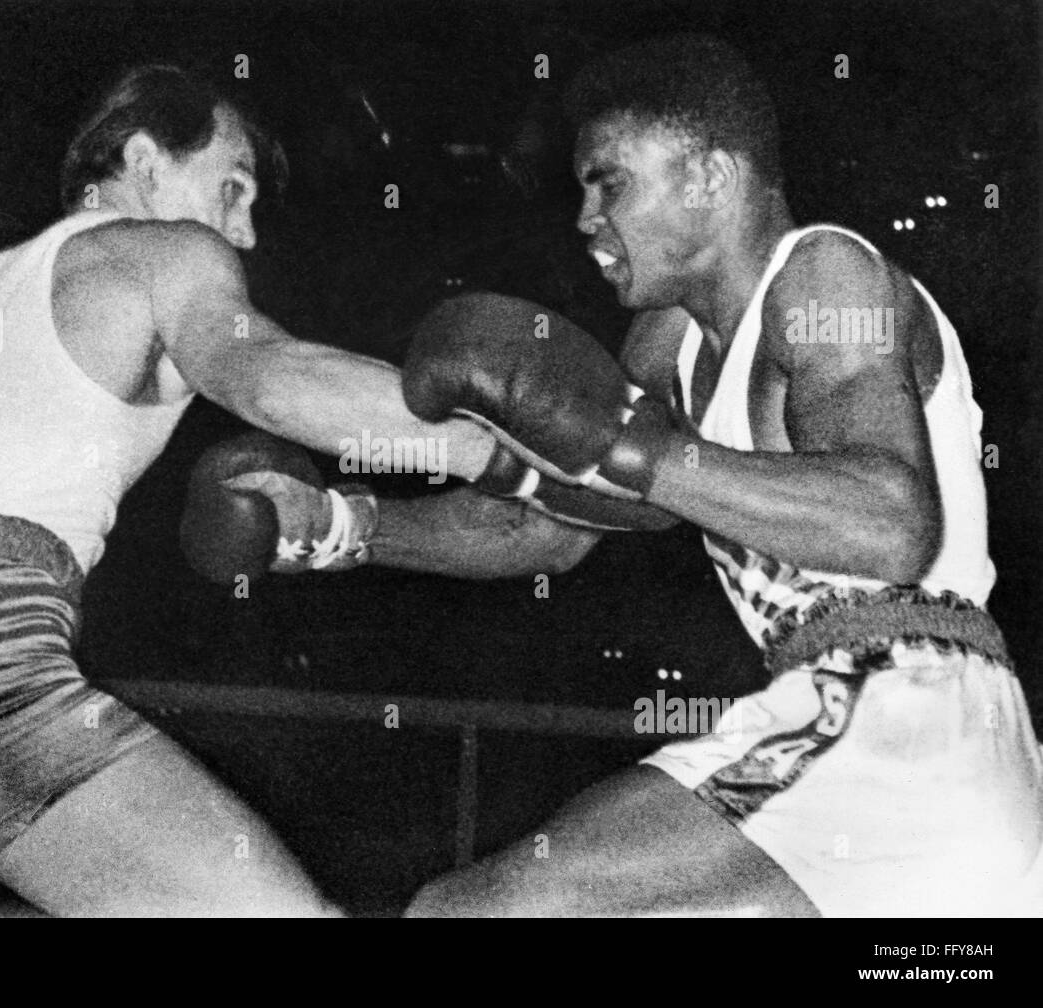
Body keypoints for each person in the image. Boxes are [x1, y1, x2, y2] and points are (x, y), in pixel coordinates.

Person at [192, 34, 1043, 916]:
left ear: (710, 177)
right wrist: (335, 526)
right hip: (923, 783)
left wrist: (641, 450)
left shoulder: (826, 273)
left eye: (611, 181)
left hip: (899, 722)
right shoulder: (665, 348)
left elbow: (892, 523)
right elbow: (546, 532)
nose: (586, 215)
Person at [0, 62, 596, 917]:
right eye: (231, 188)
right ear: (145, 161)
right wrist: (507, 449)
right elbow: (267, 377)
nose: (246, 232)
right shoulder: (164, 256)